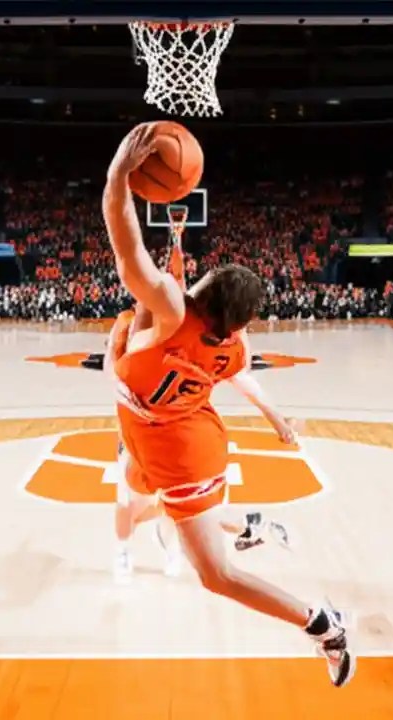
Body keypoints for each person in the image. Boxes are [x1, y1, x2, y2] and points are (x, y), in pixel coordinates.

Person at [102, 123, 354, 687]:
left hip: (179, 456)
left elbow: (125, 246)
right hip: (177, 431)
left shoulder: (172, 312)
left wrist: (119, 173)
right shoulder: (231, 343)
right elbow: (243, 378)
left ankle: (323, 626)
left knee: (215, 575)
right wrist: (278, 419)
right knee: (143, 499)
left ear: (204, 296)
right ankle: (249, 521)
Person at [104, 233, 292, 583]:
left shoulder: (163, 324)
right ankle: (128, 549)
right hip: (159, 433)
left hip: (161, 432)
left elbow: (167, 291)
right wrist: (278, 420)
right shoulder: (227, 349)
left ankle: (170, 548)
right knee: (140, 503)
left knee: (157, 505)